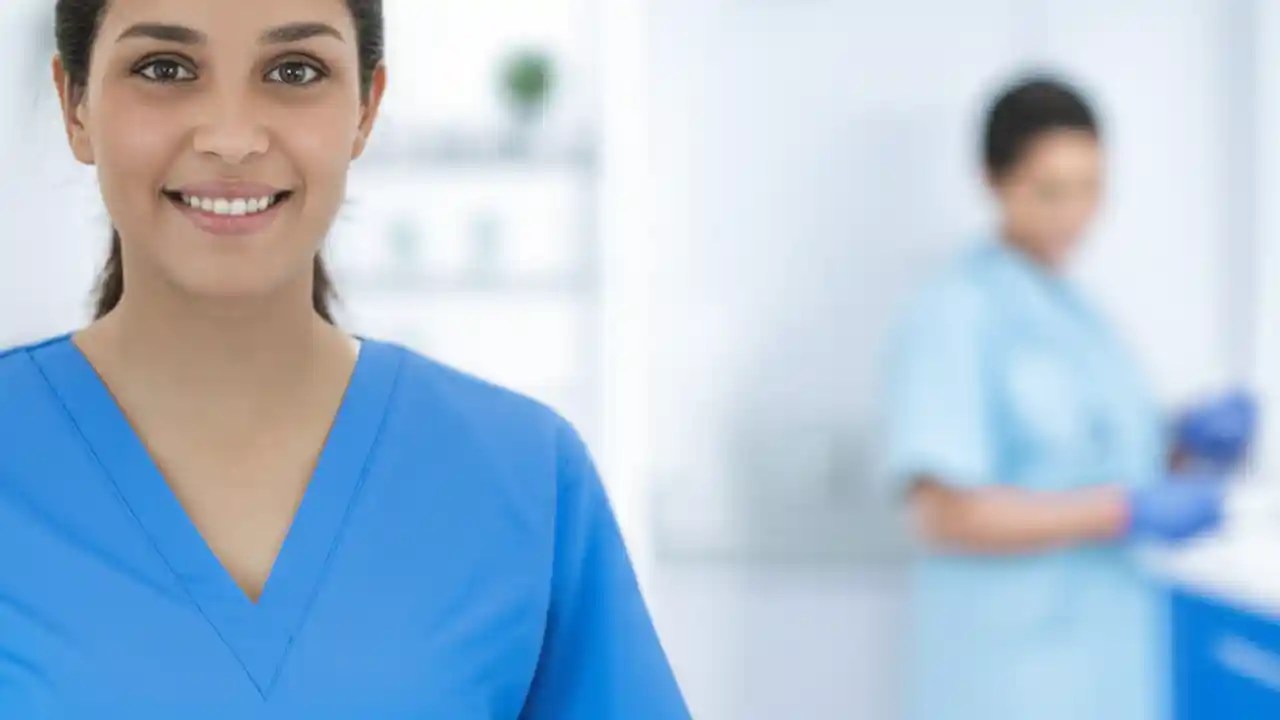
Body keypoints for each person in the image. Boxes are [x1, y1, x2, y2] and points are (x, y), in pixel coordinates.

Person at [0, 1, 690, 717]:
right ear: (74, 105)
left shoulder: (524, 478)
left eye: (294, 71)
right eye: (164, 68)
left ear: (366, 108)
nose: (231, 138)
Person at [884, 76, 1257, 720]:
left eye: (1092, 188)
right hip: (1005, 678)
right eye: (1051, 190)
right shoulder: (954, 311)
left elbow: (1107, 461)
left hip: (1105, 663)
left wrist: (1183, 442)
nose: (1075, 213)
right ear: (993, 179)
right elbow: (944, 514)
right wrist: (1124, 511)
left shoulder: (1083, 315)